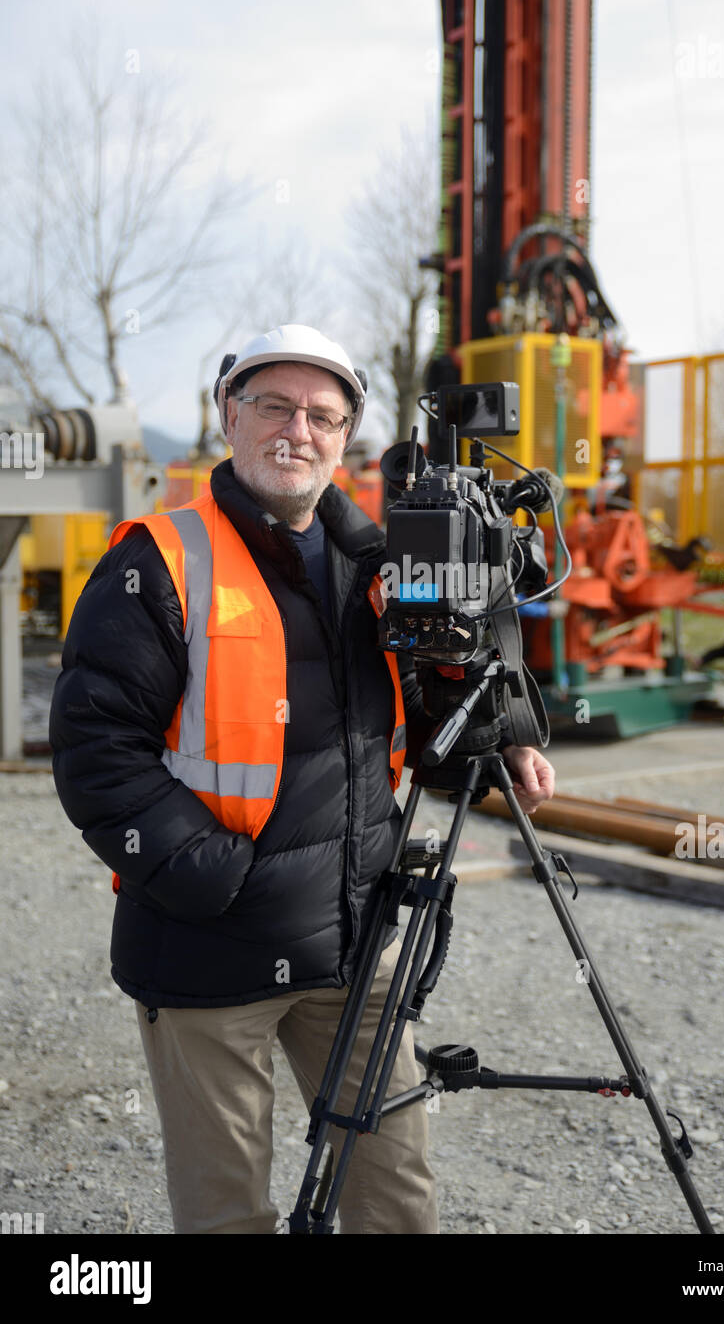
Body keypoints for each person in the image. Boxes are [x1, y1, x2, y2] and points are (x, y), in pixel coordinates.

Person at [49, 323, 555, 1235]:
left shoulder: (378, 563)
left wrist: (496, 730)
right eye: (273, 406)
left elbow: (421, 745)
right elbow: (96, 750)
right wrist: (216, 881)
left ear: (345, 434)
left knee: (394, 1194)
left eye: (322, 415)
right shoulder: (160, 559)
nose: (297, 430)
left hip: (354, 943)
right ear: (228, 416)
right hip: (207, 949)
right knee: (226, 1209)